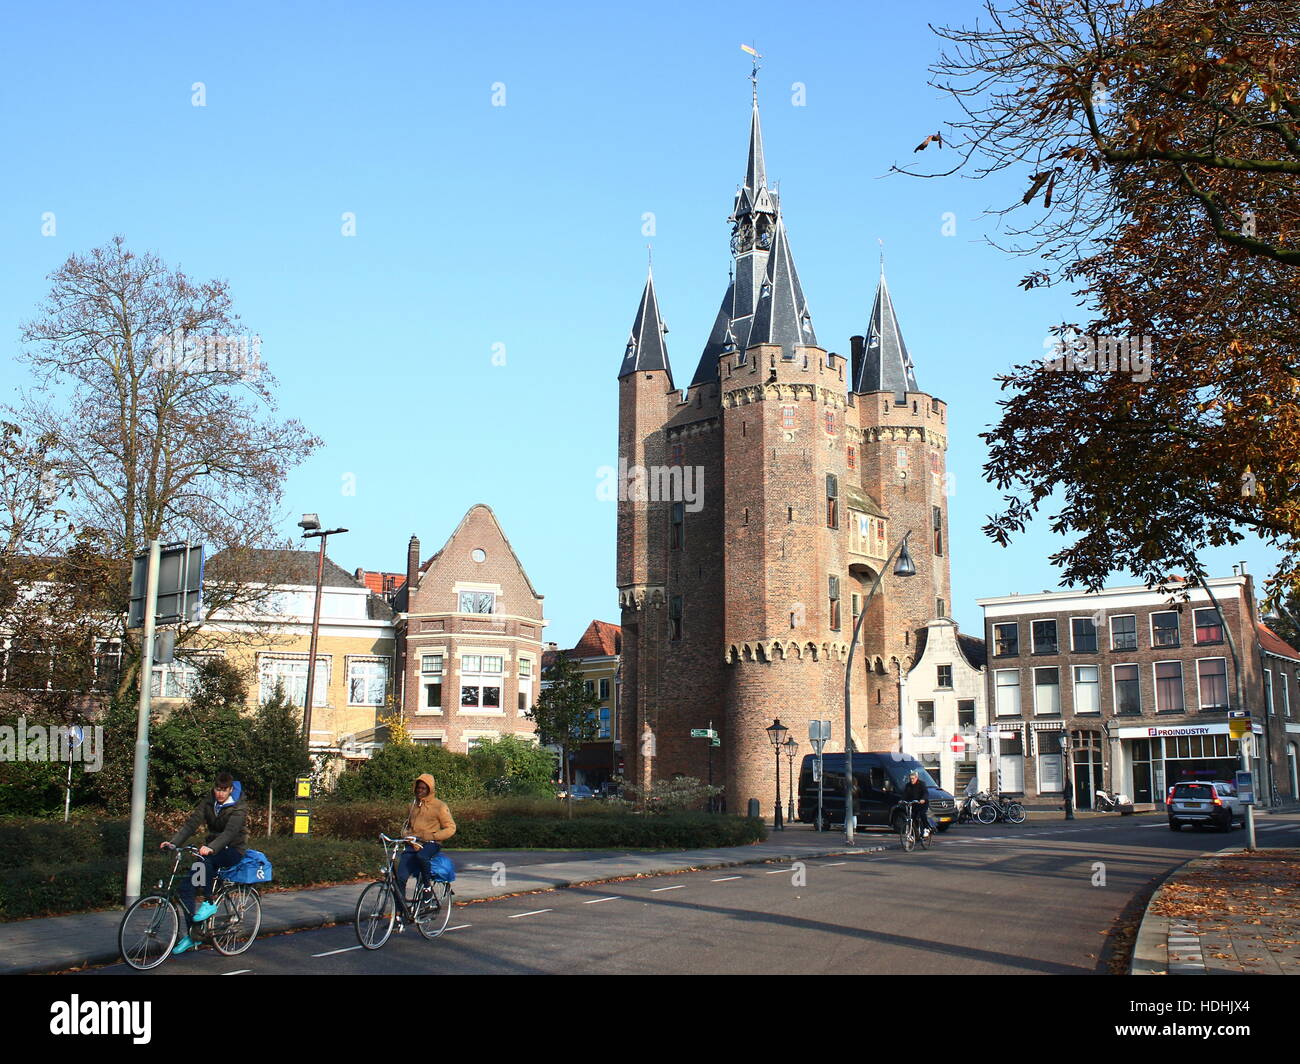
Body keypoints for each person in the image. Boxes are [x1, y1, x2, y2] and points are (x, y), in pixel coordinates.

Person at [162, 771, 248, 954]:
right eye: (218, 789)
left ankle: (209, 902)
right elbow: (191, 824)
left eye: (224, 790)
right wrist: (173, 843)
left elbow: (230, 833)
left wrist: (212, 847)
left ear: (231, 789)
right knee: (186, 887)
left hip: (232, 850)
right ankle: (195, 935)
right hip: (212, 850)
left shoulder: (239, 806)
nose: (220, 793)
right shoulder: (209, 801)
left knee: (206, 859)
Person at [395, 773, 456, 905]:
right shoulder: (412, 806)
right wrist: (406, 835)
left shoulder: (439, 806)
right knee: (400, 878)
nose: (420, 791)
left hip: (431, 843)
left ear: (430, 789)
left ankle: (427, 888)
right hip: (413, 843)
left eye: (423, 788)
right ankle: (400, 916)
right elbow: (406, 826)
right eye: (418, 788)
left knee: (422, 856)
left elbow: (451, 828)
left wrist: (432, 836)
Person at [901, 769, 931, 840]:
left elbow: (925, 793)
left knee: (922, 814)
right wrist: (901, 800)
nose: (912, 780)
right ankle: (913, 835)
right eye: (910, 779)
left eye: (913, 778)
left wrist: (923, 799)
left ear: (916, 778)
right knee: (911, 818)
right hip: (914, 804)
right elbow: (905, 794)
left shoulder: (921, 784)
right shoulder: (908, 785)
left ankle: (926, 829)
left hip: (922, 804)